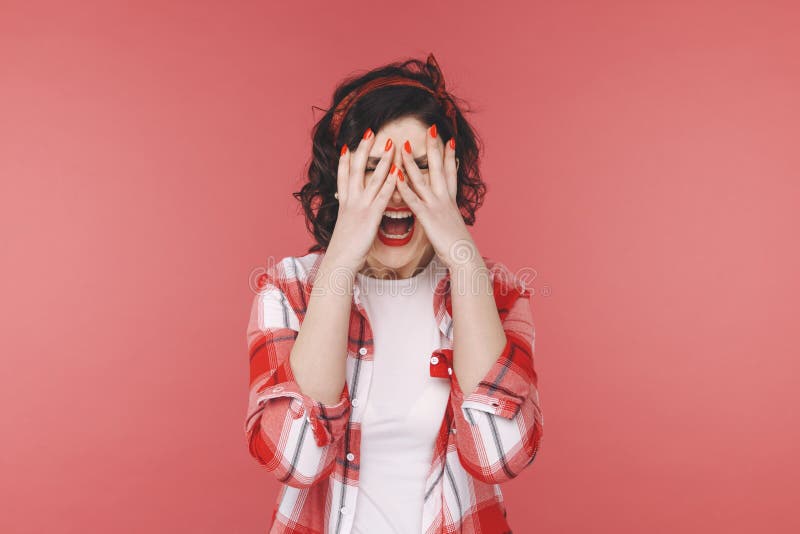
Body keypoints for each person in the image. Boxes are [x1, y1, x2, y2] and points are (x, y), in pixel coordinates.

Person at [245, 52, 543, 534]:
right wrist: (341, 259)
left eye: (422, 167)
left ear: (452, 176)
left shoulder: (499, 293)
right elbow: (294, 461)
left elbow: (498, 458)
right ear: (339, 180)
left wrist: (461, 255)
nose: (397, 190)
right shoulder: (288, 289)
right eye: (374, 170)